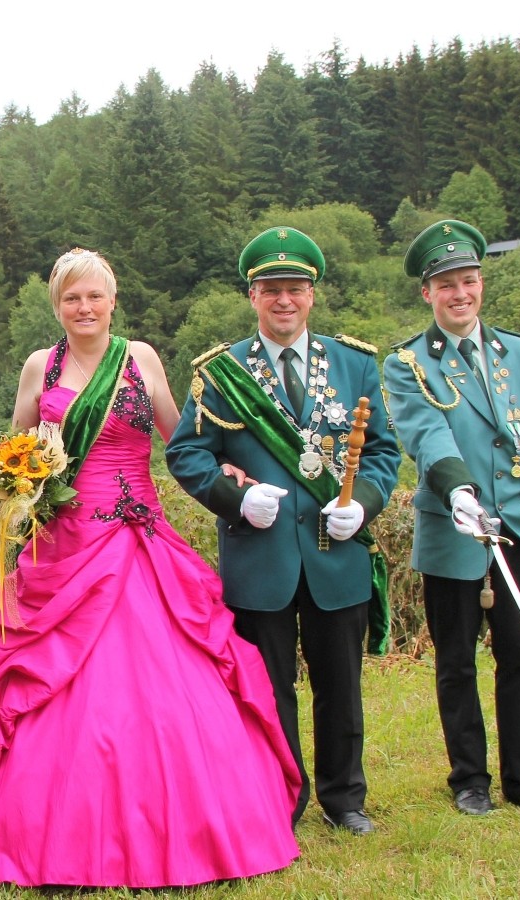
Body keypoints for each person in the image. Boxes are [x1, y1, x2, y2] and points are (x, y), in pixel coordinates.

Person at [0, 248, 300, 887]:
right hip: (62, 546)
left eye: (94, 296)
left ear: (113, 301)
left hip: (137, 537)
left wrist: (227, 469)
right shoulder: (40, 365)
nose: (84, 307)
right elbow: (15, 448)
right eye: (72, 298)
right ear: (57, 306)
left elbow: (181, 438)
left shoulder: (141, 358)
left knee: (165, 680)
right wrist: (15, 483)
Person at [166, 226, 400, 836]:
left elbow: (382, 452)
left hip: (334, 549)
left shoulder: (354, 363)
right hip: (259, 552)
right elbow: (186, 452)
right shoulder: (222, 373)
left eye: (295, 288)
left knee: (340, 686)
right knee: (269, 690)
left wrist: (364, 505)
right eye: (271, 290)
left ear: (312, 294)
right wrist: (237, 499)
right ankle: (279, 796)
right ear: (253, 296)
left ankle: (345, 799)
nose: (284, 300)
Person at [382, 220, 520, 817]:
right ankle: (469, 780)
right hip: (454, 525)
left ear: (481, 285)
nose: (459, 294)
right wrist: (458, 489)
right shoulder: (409, 363)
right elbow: (427, 434)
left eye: (468, 281)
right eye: (446, 285)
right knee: (456, 661)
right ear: (427, 293)